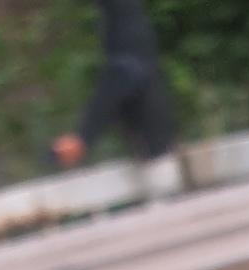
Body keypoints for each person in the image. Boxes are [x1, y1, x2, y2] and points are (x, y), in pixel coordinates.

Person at [50, 0, 176, 167]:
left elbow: (122, 76)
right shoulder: (128, 25)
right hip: (153, 152)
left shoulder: (126, 37)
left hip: (157, 160)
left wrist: (82, 137)